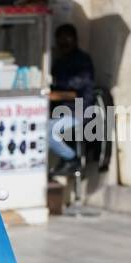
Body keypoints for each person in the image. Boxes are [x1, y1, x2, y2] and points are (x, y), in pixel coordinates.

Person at [48, 23, 96, 176]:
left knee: (45, 132)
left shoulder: (82, 61)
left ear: (75, 40)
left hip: (79, 113)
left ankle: (71, 159)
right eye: (60, 41)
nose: (63, 44)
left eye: (66, 40)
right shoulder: (60, 62)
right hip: (62, 112)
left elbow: (74, 91)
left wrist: (52, 93)